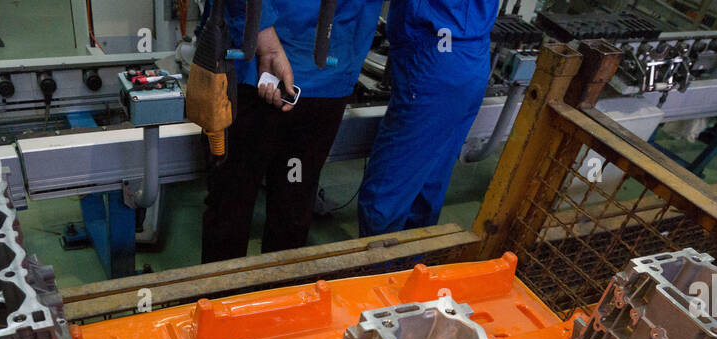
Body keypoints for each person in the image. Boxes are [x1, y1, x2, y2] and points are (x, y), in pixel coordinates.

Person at [201, 0, 384, 263]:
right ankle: (233, 300)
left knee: (265, 206)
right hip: (260, 65)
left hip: (309, 69)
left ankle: (265, 299)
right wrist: (262, 37)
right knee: (259, 206)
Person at [358, 0, 500, 237]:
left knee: (386, 194)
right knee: (428, 181)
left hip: (433, 61)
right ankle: (413, 266)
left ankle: (378, 268)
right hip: (471, 55)